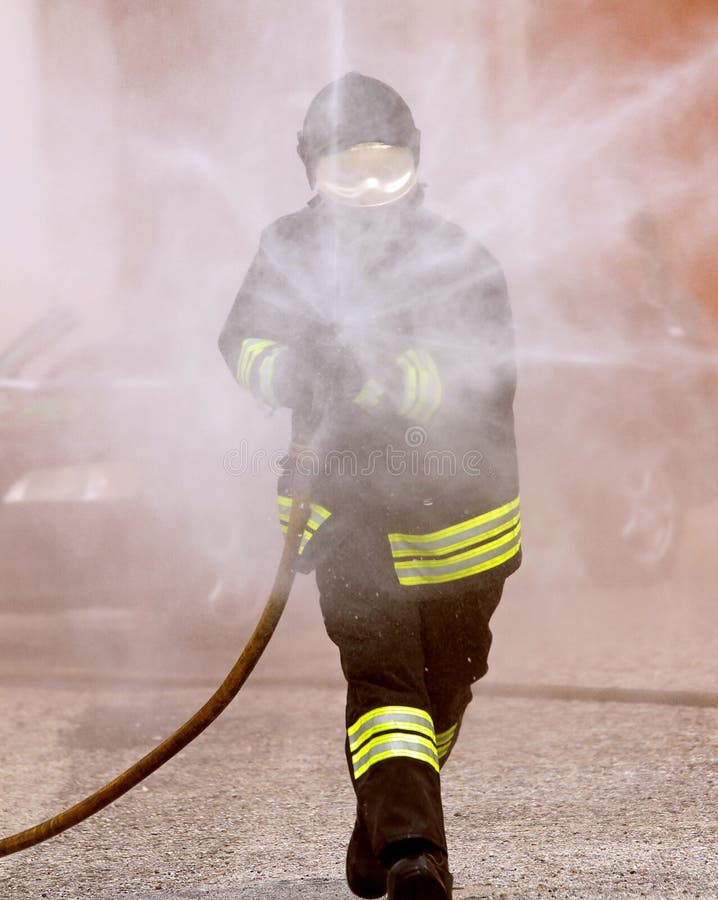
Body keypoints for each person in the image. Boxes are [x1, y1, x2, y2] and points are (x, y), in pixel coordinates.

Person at [219, 72, 521, 900]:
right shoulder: (287, 248)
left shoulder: (457, 259)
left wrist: (383, 377)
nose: (364, 182)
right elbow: (241, 341)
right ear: (311, 168)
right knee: (385, 688)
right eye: (345, 166)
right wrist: (291, 368)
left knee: (439, 696)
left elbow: (483, 380)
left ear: (414, 164)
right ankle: (412, 854)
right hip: (348, 517)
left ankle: (378, 827)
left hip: (462, 524)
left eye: (382, 164)